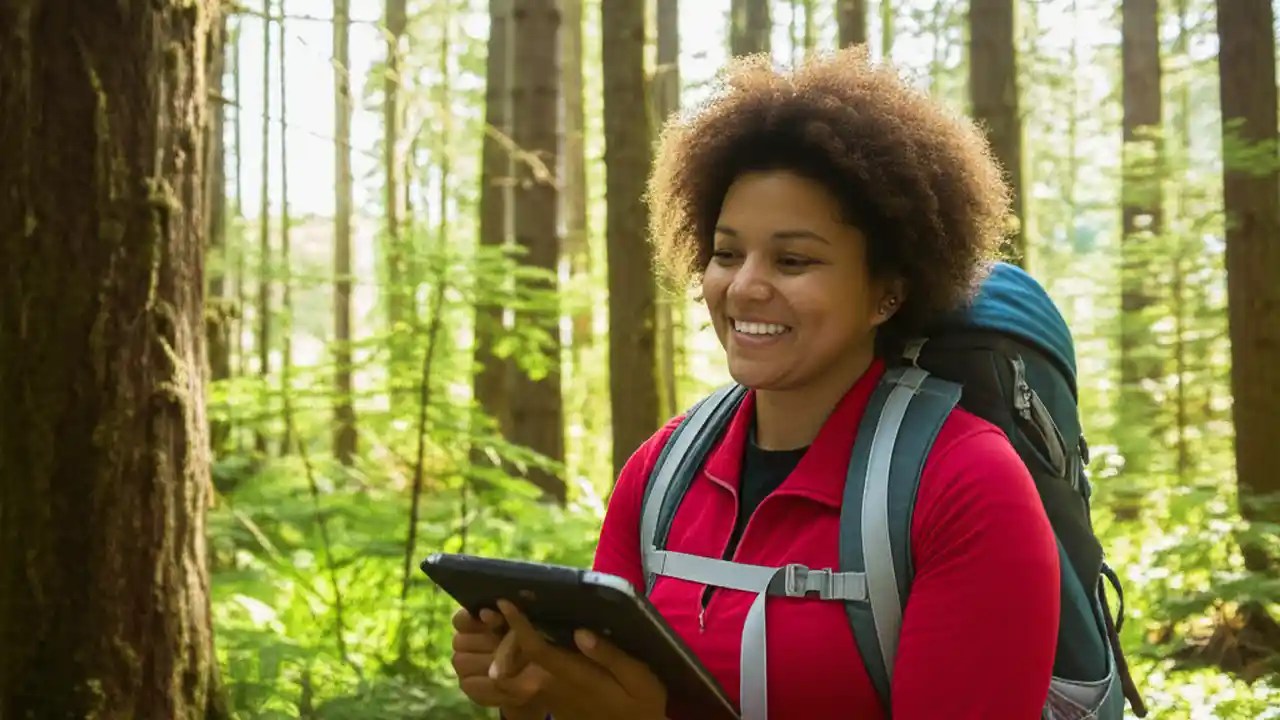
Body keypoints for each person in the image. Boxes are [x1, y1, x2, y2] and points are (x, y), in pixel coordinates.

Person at [449, 47, 1061, 719]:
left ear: (886, 293)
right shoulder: (660, 473)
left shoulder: (965, 485)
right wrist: (533, 691)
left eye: (793, 260)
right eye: (726, 253)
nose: (743, 287)